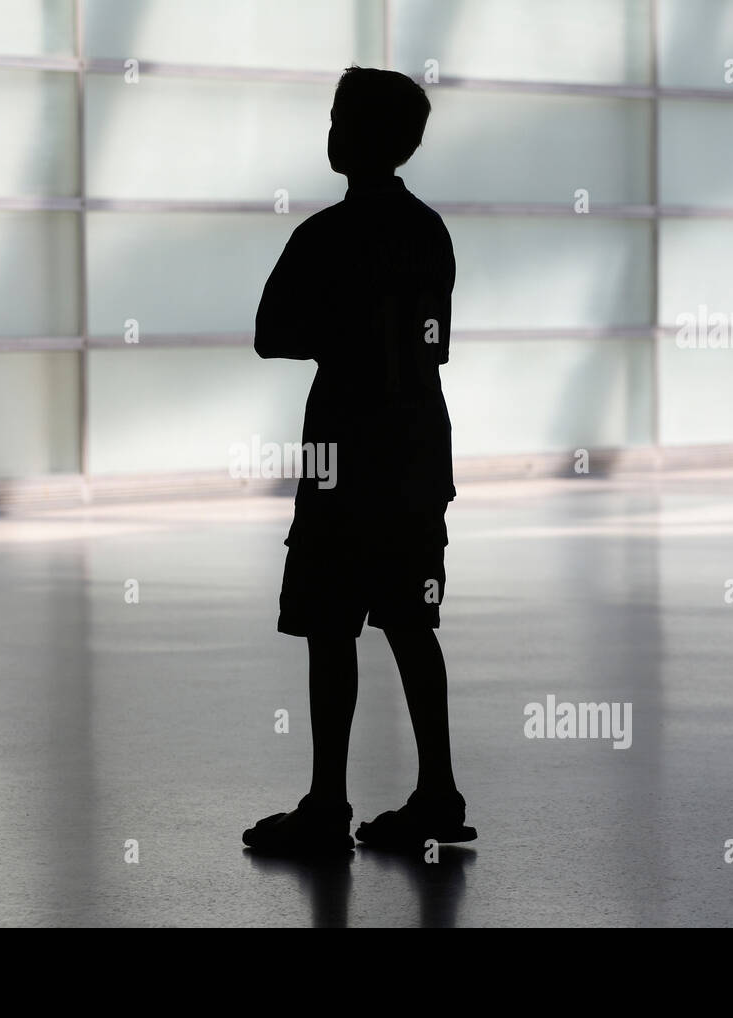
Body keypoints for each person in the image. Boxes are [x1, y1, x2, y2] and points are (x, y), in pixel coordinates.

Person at [243, 66, 476, 855]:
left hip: (342, 453)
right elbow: (434, 342)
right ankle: (437, 791)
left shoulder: (323, 236)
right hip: (414, 451)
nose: (332, 130)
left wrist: (337, 334)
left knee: (330, 622)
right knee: (412, 623)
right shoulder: (429, 231)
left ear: (362, 135)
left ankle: (326, 802)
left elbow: (272, 334)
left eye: (341, 116)